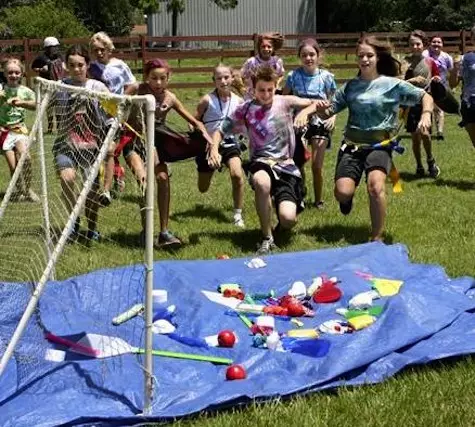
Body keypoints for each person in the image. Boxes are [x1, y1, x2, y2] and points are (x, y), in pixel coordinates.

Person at [313, 35, 433, 242]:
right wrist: (322, 111)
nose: (365, 59)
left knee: (376, 186)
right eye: (361, 56)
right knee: (342, 192)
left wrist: (426, 114)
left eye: (370, 55)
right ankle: (346, 200)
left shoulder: (392, 84)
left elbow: (425, 96)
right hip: (352, 146)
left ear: (378, 58)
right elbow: (330, 111)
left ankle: (376, 239)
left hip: (380, 145)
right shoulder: (351, 87)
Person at [209, 66, 320, 254]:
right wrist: (213, 149)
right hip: (261, 161)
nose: (266, 94)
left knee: (288, 219)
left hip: (286, 166)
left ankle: (280, 225)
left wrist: (304, 113)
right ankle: (267, 238)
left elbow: (314, 103)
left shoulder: (284, 102)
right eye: (261, 90)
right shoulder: (245, 109)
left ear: (275, 86)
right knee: (261, 182)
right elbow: (220, 130)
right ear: (253, 89)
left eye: (270, 89)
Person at [125, 58, 213, 248]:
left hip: (157, 144)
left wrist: (206, 136)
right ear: (146, 77)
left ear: (168, 78)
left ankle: (164, 232)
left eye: (162, 78)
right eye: (153, 78)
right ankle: (146, 231)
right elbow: (118, 107)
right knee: (144, 182)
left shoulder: (170, 98)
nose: (158, 83)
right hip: (134, 142)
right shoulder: (137, 89)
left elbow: (194, 120)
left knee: (163, 179)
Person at [53, 45, 110, 243]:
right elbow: (41, 104)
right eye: (72, 65)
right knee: (67, 179)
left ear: (87, 65)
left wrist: (111, 138)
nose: (76, 69)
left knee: (91, 192)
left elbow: (113, 112)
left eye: (80, 65)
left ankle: (92, 228)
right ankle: (73, 220)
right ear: (66, 66)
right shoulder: (60, 86)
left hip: (91, 147)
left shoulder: (97, 87)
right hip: (66, 144)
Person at [283, 38, 337, 209]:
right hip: (300, 121)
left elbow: (335, 101)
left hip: (321, 121)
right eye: (304, 55)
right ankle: (300, 192)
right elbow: (284, 99)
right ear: (299, 57)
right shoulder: (293, 76)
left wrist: (332, 117)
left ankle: (318, 200)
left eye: (312, 54)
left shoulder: (327, 77)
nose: (308, 58)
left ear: (318, 55)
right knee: (298, 161)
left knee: (316, 165)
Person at [195, 64, 246, 228]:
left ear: (232, 78)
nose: (223, 81)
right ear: (214, 81)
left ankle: (238, 214)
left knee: (237, 175)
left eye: (226, 77)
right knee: (202, 188)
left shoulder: (239, 101)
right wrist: (200, 135)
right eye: (219, 78)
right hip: (209, 144)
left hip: (230, 142)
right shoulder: (206, 100)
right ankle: (211, 167)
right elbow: (194, 121)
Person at [89, 31, 136, 206]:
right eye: (95, 50)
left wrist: (120, 99)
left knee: (109, 150)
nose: (99, 53)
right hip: (94, 114)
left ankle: (106, 191)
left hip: (114, 114)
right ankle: (116, 175)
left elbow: (133, 84)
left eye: (102, 49)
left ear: (109, 48)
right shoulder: (89, 67)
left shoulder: (120, 66)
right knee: (97, 152)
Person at [402, 30, 441, 178]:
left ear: (424, 45)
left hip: (426, 102)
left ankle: (430, 160)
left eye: (418, 44)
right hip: (411, 104)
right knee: (415, 138)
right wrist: (411, 80)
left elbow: (437, 76)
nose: (415, 47)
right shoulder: (405, 62)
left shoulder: (430, 62)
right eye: (412, 44)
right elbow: (397, 82)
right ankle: (419, 164)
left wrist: (436, 79)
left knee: (425, 133)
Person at [0, 58, 38, 202]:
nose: (13, 75)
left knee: (25, 157)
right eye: (10, 72)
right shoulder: (1, 89)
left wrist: (21, 102)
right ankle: (20, 190)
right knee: (13, 166)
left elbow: (36, 105)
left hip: (19, 130)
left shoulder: (25, 91)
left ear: (22, 74)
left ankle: (28, 190)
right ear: (5, 73)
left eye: (17, 72)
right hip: (3, 131)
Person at [422, 35, 454, 140]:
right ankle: (428, 130)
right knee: (428, 108)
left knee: (440, 109)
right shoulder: (425, 54)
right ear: (430, 43)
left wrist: (450, 85)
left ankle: (440, 132)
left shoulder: (447, 57)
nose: (436, 44)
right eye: (434, 42)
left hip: (441, 86)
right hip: (427, 86)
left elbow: (451, 72)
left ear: (442, 44)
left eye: (439, 42)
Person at [31, 37, 65, 133]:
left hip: (57, 84)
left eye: (56, 47)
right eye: (53, 47)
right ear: (47, 48)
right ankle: (50, 127)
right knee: (49, 106)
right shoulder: (41, 58)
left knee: (59, 106)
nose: (56, 49)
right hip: (46, 84)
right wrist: (41, 69)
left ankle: (59, 127)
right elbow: (33, 67)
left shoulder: (59, 56)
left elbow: (63, 67)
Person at [449, 24, 475, 148]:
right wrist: (455, 69)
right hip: (469, 104)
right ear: (473, 39)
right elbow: (453, 84)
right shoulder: (465, 59)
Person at [241, 32, 285, 99]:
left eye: (269, 47)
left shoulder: (277, 61)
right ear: (259, 48)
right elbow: (242, 76)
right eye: (263, 46)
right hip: (253, 96)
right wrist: (248, 87)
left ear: (273, 48)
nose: (266, 49)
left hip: (270, 95)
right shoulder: (252, 62)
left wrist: (276, 84)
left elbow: (281, 74)